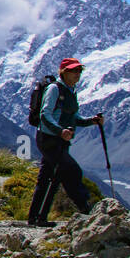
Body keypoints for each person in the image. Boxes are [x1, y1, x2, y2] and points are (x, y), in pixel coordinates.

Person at [26, 58, 103, 227]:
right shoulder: (55, 89)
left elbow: (74, 117)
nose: (77, 74)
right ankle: (85, 207)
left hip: (59, 140)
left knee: (50, 177)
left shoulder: (70, 90)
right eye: (73, 71)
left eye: (79, 71)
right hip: (49, 139)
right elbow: (44, 115)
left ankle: (37, 218)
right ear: (63, 72)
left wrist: (92, 121)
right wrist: (60, 131)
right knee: (71, 170)